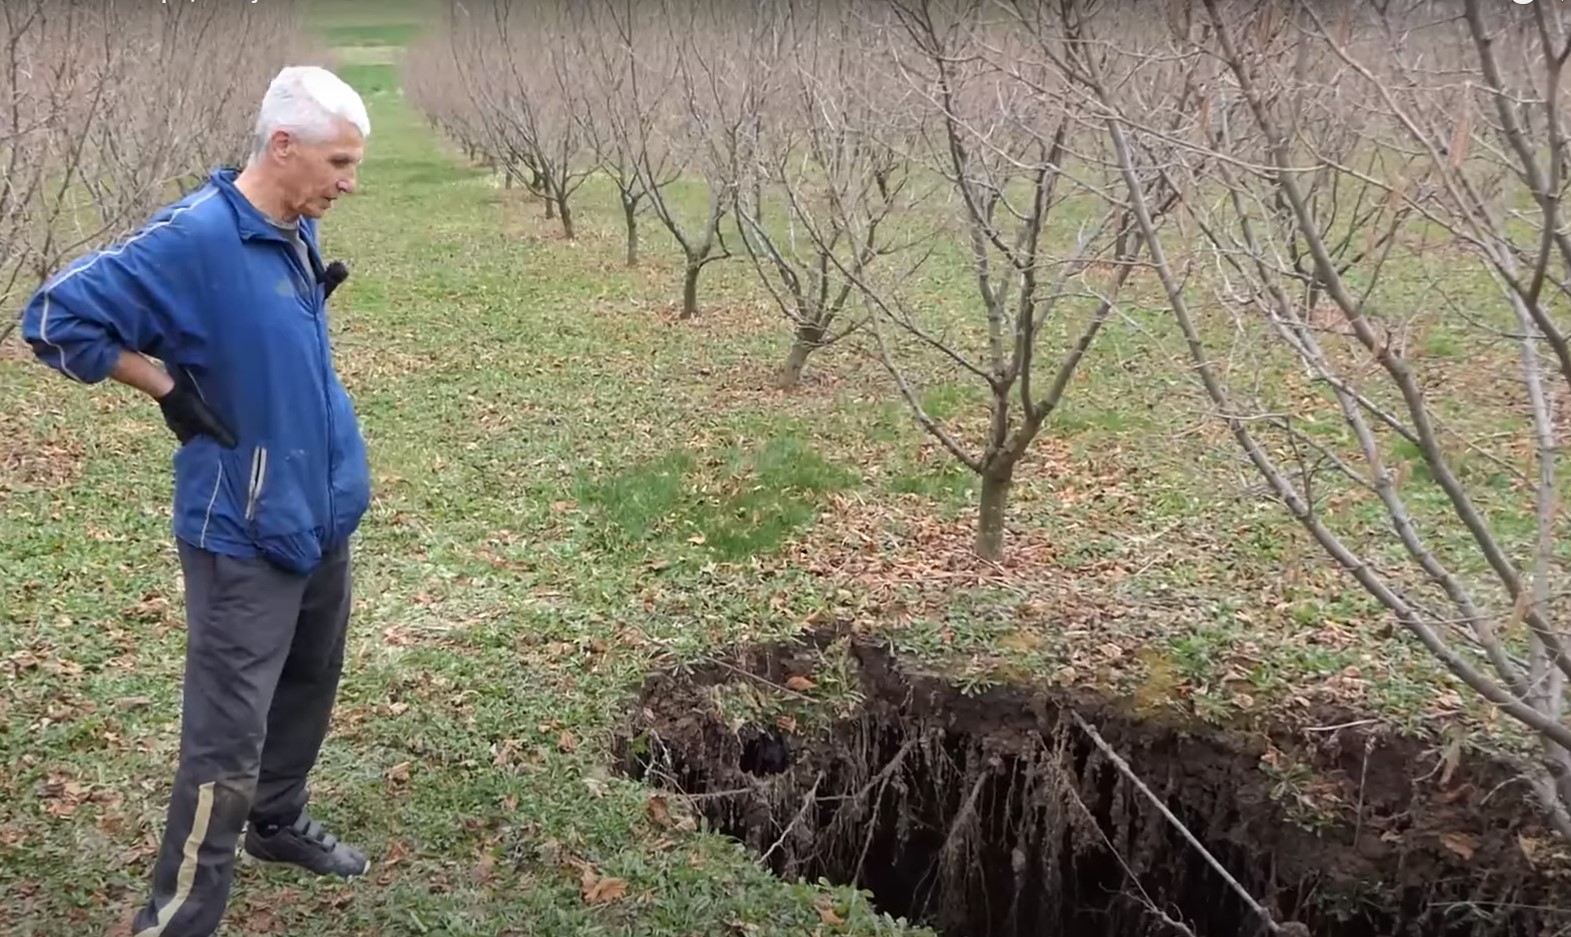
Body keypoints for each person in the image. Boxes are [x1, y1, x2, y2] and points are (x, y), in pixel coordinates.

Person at [19, 65, 377, 937]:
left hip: (317, 514)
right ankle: (178, 918)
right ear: (281, 146)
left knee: (308, 682)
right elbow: (52, 318)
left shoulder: (289, 223)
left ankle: (278, 821)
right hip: (244, 532)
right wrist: (162, 385)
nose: (349, 181)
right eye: (338, 161)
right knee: (225, 741)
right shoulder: (194, 238)